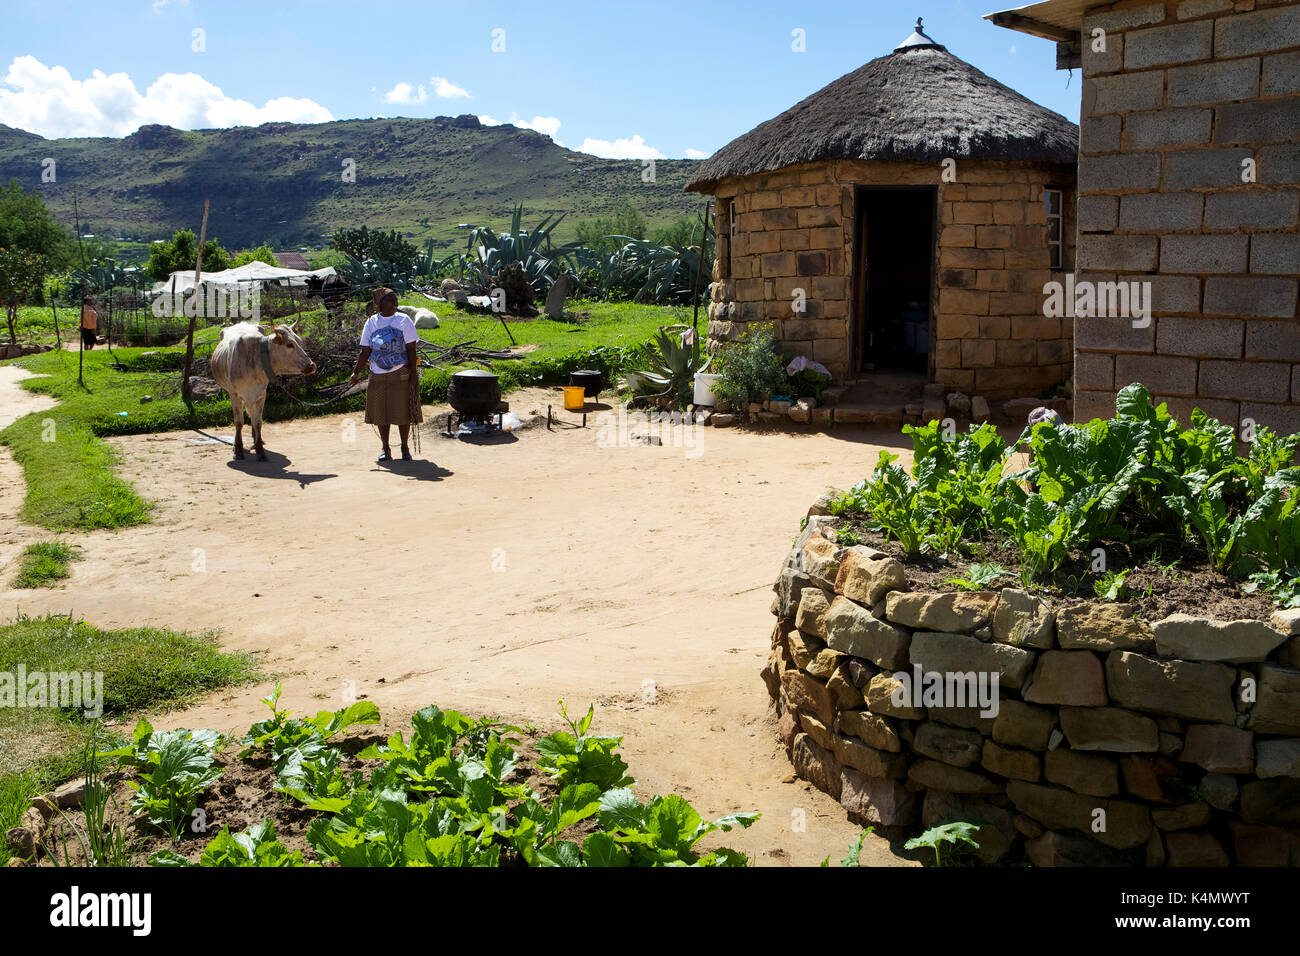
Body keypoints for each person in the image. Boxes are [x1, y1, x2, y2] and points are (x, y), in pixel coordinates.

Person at [349, 288, 422, 461]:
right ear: (380, 304)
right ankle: (385, 448)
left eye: (395, 300)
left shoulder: (403, 320)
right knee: (382, 413)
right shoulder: (372, 323)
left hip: (400, 373)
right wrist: (356, 372)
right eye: (390, 300)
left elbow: (411, 349)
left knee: (403, 412)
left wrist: (413, 372)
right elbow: (365, 351)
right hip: (378, 374)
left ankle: (405, 447)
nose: (395, 303)